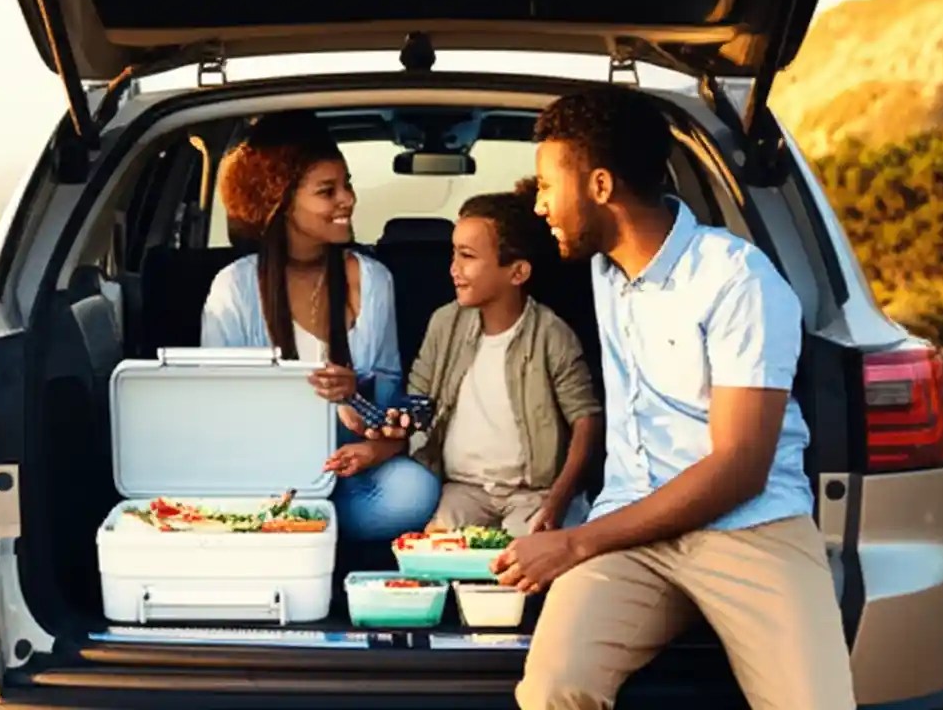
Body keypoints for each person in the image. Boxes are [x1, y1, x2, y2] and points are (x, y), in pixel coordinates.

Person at [488, 86, 856, 709]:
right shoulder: (605, 269)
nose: (541, 206)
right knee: (554, 689)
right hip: (631, 529)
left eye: (548, 186)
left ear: (601, 186)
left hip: (749, 526)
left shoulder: (737, 279)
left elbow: (741, 467)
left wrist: (576, 541)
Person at [200, 110, 440, 542]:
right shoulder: (233, 287)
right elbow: (217, 412)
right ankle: (296, 523)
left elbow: (391, 404)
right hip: (261, 470)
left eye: (347, 185)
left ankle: (300, 529)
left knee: (413, 491)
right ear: (280, 201)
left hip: (348, 469)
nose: (347, 199)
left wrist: (358, 401)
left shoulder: (371, 279)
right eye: (327, 191)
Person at [339, 188, 603, 539]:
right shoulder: (444, 324)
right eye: (453, 254)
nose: (453, 269)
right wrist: (379, 439)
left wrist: (558, 499)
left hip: (533, 494)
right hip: (463, 490)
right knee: (436, 550)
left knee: (522, 561)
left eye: (467, 256)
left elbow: (587, 420)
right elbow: (416, 404)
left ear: (517, 272)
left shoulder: (551, 335)